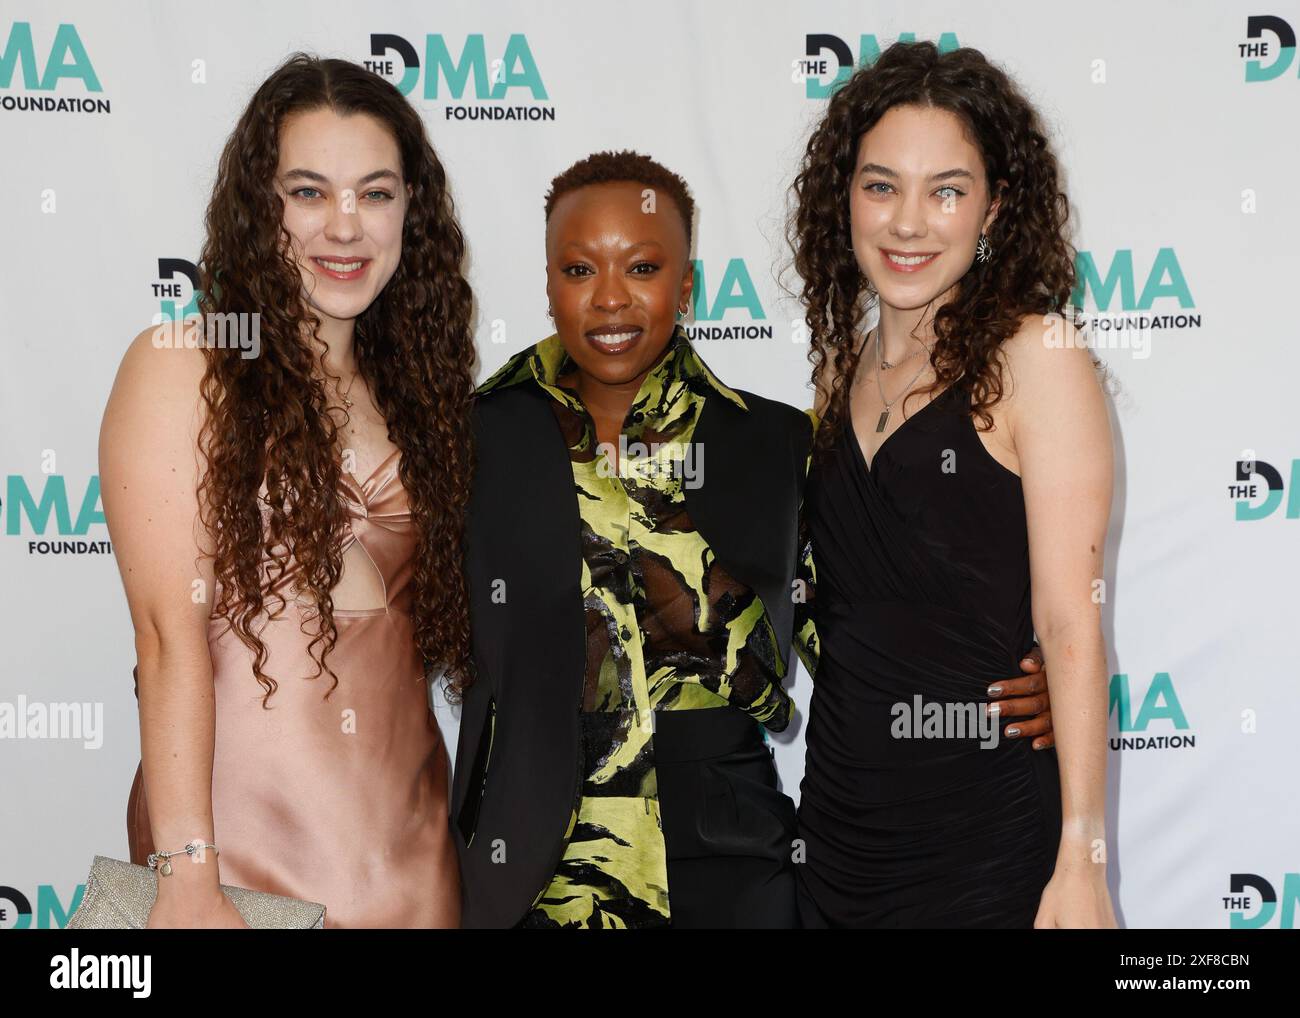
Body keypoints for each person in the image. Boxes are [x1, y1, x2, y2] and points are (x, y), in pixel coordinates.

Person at [451, 150, 1056, 929]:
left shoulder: (773, 441)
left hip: (729, 853)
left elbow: (859, 633)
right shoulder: (471, 439)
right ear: (547, 284)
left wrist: (1000, 688)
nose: (610, 300)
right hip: (529, 860)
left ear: (687, 285)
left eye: (641, 267)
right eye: (577, 270)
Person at [99, 54, 475, 928]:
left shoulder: (422, 393)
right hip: (239, 854)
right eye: (309, 192)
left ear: (410, 211)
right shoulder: (189, 366)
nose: (345, 227)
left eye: (376, 194)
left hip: (409, 845)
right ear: (258, 207)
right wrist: (188, 872)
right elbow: (165, 635)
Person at [788, 41, 1117, 927]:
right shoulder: (837, 373)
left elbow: (1069, 621)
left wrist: (1081, 859)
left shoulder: (1037, 359)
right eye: (881, 184)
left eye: (947, 190)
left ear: (994, 207)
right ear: (845, 195)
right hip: (839, 824)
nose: (908, 224)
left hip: (987, 831)